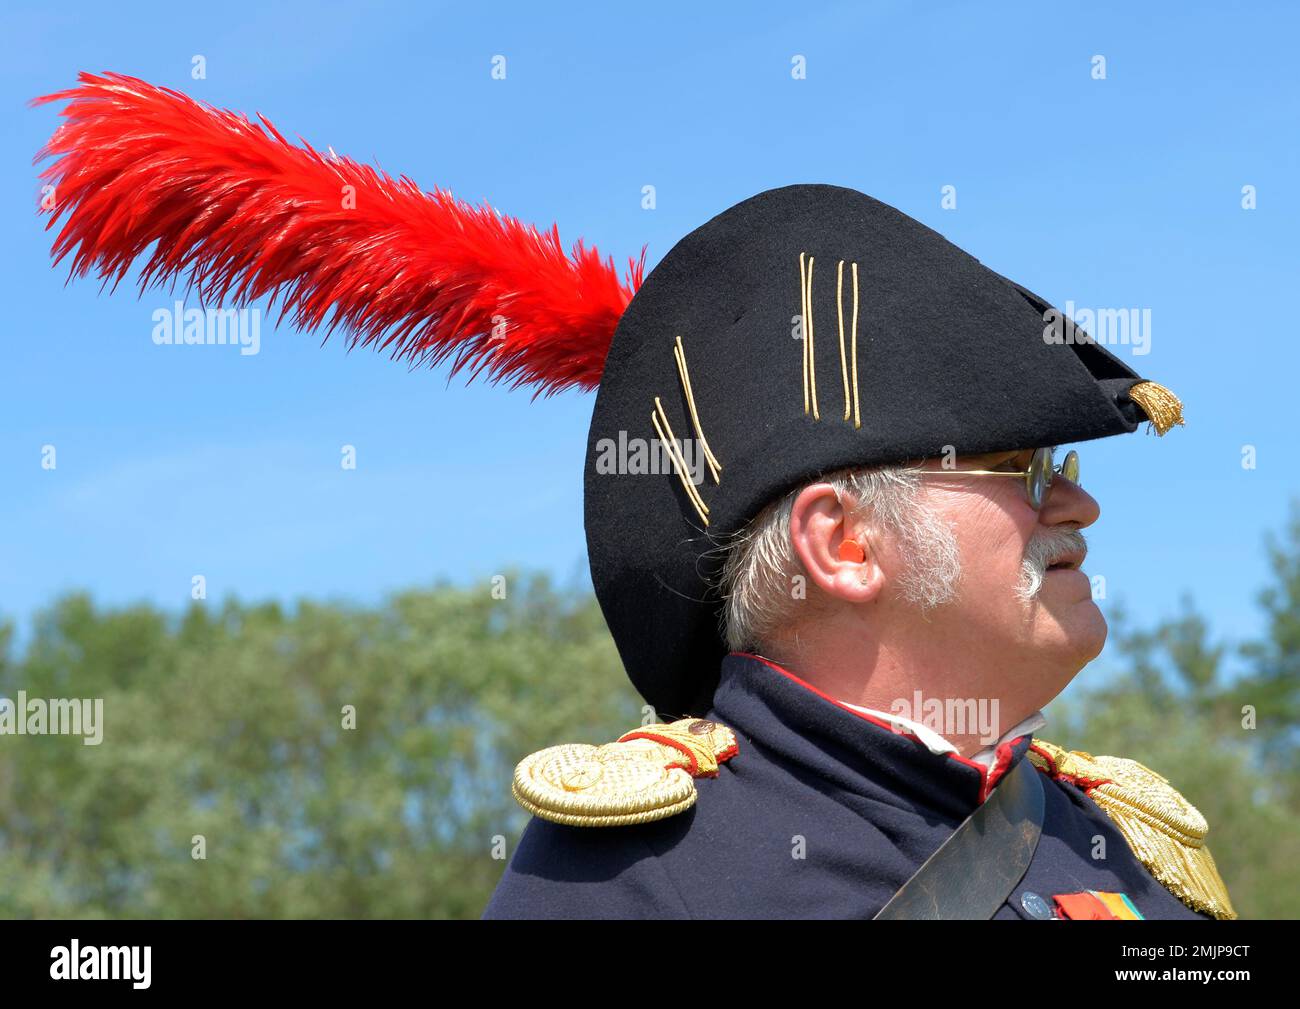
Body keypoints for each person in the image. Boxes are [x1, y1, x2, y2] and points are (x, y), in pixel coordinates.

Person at [33, 74, 1233, 921]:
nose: (1074, 508)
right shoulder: (646, 876)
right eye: (1020, 469)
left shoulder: (1115, 837)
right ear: (843, 541)